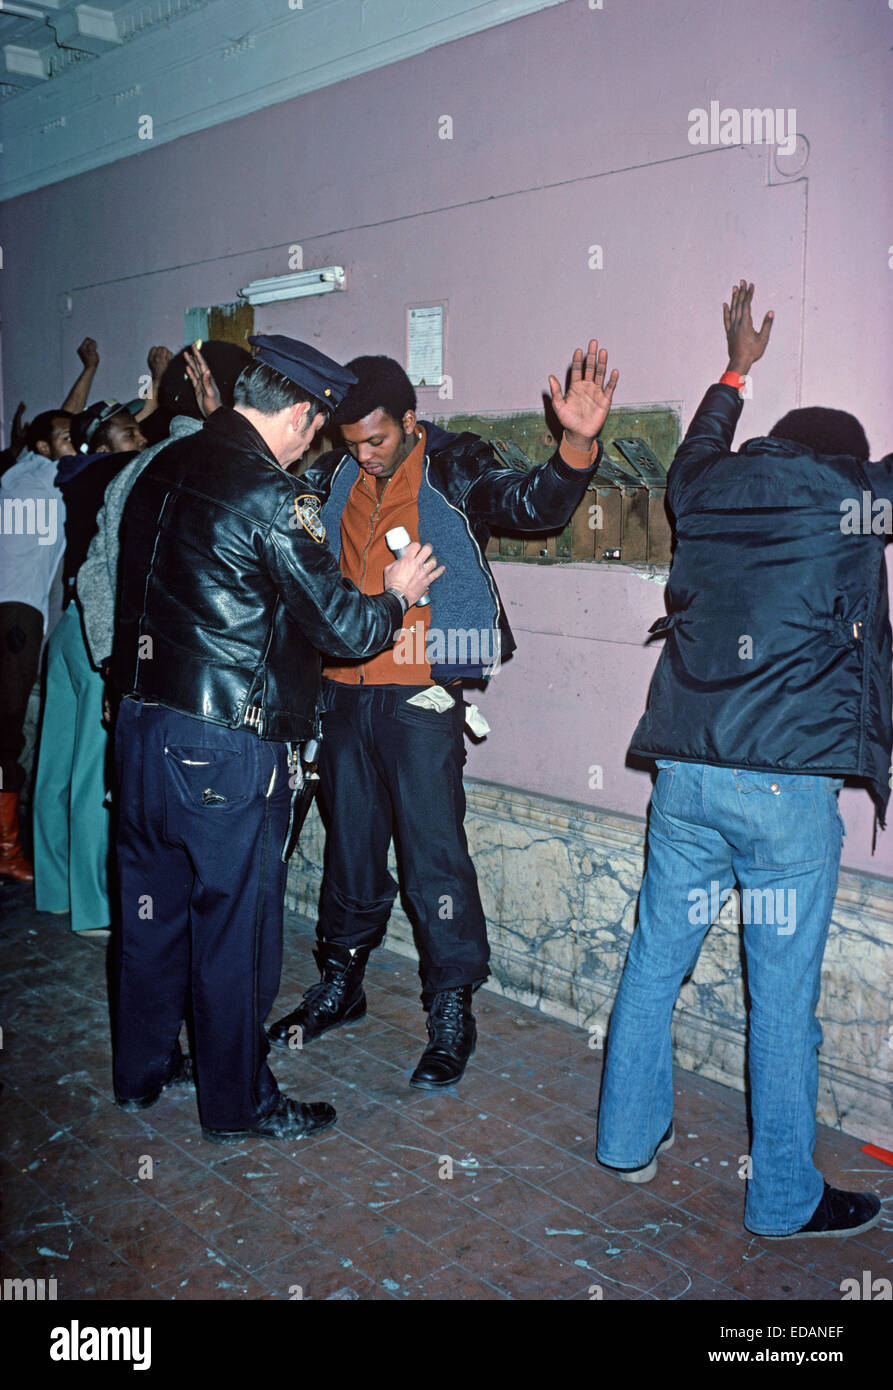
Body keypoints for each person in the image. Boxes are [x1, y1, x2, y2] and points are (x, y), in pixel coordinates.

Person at [596, 281, 887, 1239]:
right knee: (782, 1002)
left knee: (652, 966)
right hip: (783, 792)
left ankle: (626, 1145)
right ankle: (780, 1201)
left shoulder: (706, 492)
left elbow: (692, 453)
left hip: (684, 773)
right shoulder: (852, 503)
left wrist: (733, 370)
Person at [110, 335, 442, 1144]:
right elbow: (345, 626)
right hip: (224, 746)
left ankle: (141, 1074)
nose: (316, 446)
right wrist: (396, 595)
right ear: (299, 412)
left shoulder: (162, 466)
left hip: (138, 727)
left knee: (149, 916)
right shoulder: (271, 493)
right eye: (318, 430)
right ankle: (239, 1104)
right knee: (235, 930)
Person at [269, 341, 618, 1089]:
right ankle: (341, 981)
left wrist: (576, 444)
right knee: (350, 851)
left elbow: (530, 505)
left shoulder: (455, 462)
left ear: (410, 419)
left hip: (422, 690)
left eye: (378, 440)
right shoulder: (332, 474)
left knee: (434, 856)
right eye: (350, 441)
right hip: (338, 688)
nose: (363, 455)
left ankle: (451, 1005)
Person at [31, 401, 147, 934]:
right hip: (93, 631)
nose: (141, 441)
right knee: (91, 775)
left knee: (53, 769)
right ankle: (93, 908)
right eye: (130, 434)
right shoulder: (110, 469)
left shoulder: (74, 471)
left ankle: (54, 892)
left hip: (66, 630)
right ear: (102, 446)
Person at [0, 410, 74, 880]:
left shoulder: (18, 473)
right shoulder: (43, 475)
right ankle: (6, 850)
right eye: (68, 440)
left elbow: (62, 424)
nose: (78, 446)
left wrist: (88, 369)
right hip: (18, 612)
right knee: (7, 732)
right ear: (44, 448)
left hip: (16, 608)